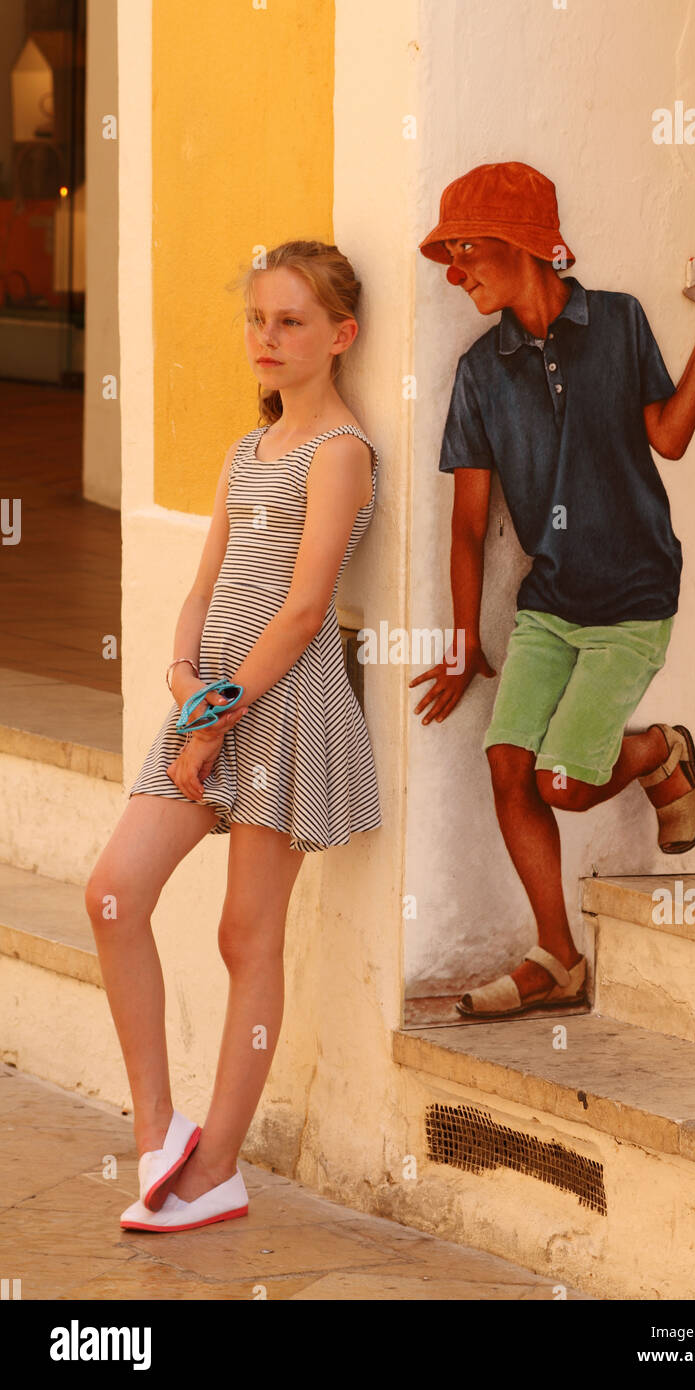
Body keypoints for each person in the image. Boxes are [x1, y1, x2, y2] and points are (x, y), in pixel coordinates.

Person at [411, 161, 695, 1020]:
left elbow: (669, 437)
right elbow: (469, 525)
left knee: (562, 781)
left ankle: (659, 751)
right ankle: (558, 957)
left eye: (469, 248)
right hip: (549, 604)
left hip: (632, 595)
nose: (458, 270)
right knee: (506, 764)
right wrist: (465, 639)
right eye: (452, 255)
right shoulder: (481, 373)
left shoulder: (619, 323)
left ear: (525, 246)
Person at [84, 240, 381, 1231]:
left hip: (286, 709)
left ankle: (216, 1168)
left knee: (244, 934)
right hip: (207, 707)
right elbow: (204, 586)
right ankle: (160, 1131)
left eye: (291, 321)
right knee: (114, 893)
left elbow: (300, 614)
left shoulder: (339, 453)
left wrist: (216, 715)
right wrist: (182, 683)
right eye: (258, 317)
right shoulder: (242, 450)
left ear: (341, 337)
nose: (267, 336)